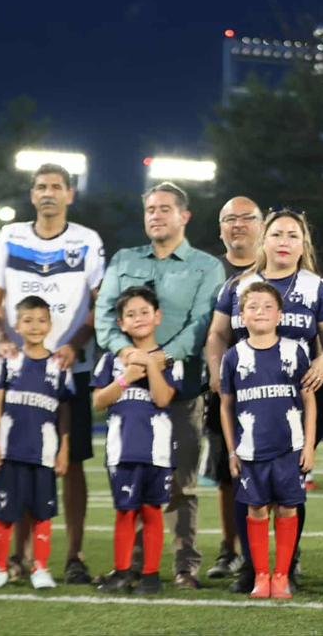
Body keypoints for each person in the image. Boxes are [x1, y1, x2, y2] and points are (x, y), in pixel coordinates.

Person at [94, 182, 223, 589]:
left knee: (182, 484)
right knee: (130, 477)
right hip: (130, 387)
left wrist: (159, 359)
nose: (156, 215)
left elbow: (202, 324)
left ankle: (185, 566)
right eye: (150, 208)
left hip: (180, 385)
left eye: (165, 209)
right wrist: (128, 355)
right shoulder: (123, 259)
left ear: (184, 216)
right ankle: (132, 565)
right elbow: (103, 318)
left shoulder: (206, 266)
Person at [0, 163, 104, 584]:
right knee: (14, 459)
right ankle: (15, 557)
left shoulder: (87, 241)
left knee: (73, 462)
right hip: (17, 369)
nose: (48, 193)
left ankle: (73, 555)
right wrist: (1, 337)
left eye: (56, 187)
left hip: (70, 367)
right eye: (41, 187)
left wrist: (75, 345)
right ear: (32, 195)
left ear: (70, 194)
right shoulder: (10, 236)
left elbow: (98, 302)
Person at [205, 209, 323, 593]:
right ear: (263, 239)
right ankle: (251, 566)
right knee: (241, 479)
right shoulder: (237, 285)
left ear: (303, 245)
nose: (284, 241)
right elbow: (217, 334)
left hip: (300, 398)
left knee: (290, 480)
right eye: (277, 234)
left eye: (293, 235)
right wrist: (216, 370)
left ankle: (286, 564)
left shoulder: (316, 287)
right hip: (245, 395)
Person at [219, 282, 316, 601]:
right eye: (252, 307)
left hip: (289, 448)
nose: (259, 312)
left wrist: (310, 444)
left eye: (267, 306)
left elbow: (309, 400)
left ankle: (282, 575)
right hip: (250, 451)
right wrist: (232, 450)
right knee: (257, 510)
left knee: (288, 509)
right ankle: (261, 575)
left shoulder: (295, 350)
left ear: (280, 315)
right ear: (241, 316)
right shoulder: (233, 356)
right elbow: (226, 405)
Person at [93, 286, 185, 595]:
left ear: (157, 317)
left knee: (152, 511)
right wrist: (126, 377)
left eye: (144, 312)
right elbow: (99, 400)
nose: (138, 318)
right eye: (130, 314)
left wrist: (148, 364)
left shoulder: (170, 359)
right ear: (121, 323)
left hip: (157, 451)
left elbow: (162, 398)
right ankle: (121, 572)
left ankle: (150, 575)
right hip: (122, 449)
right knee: (125, 510)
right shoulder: (111, 359)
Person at [0, 296, 73, 590]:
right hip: (11, 452)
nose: (35, 326)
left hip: (44, 454)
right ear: (17, 326)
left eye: (41, 320)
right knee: (5, 512)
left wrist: (64, 449)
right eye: (28, 321)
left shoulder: (58, 365)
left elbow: (65, 411)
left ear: (50, 324)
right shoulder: (9, 362)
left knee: (42, 514)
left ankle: (40, 568)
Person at [203, 195, 263, 580]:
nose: (238, 224)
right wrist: (216, 374)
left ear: (262, 224)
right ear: (220, 227)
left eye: (246, 218)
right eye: (230, 218)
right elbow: (212, 333)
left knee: (279, 470)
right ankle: (230, 548)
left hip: (274, 389)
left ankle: (283, 552)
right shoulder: (210, 271)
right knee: (228, 470)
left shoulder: (278, 264)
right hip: (225, 389)